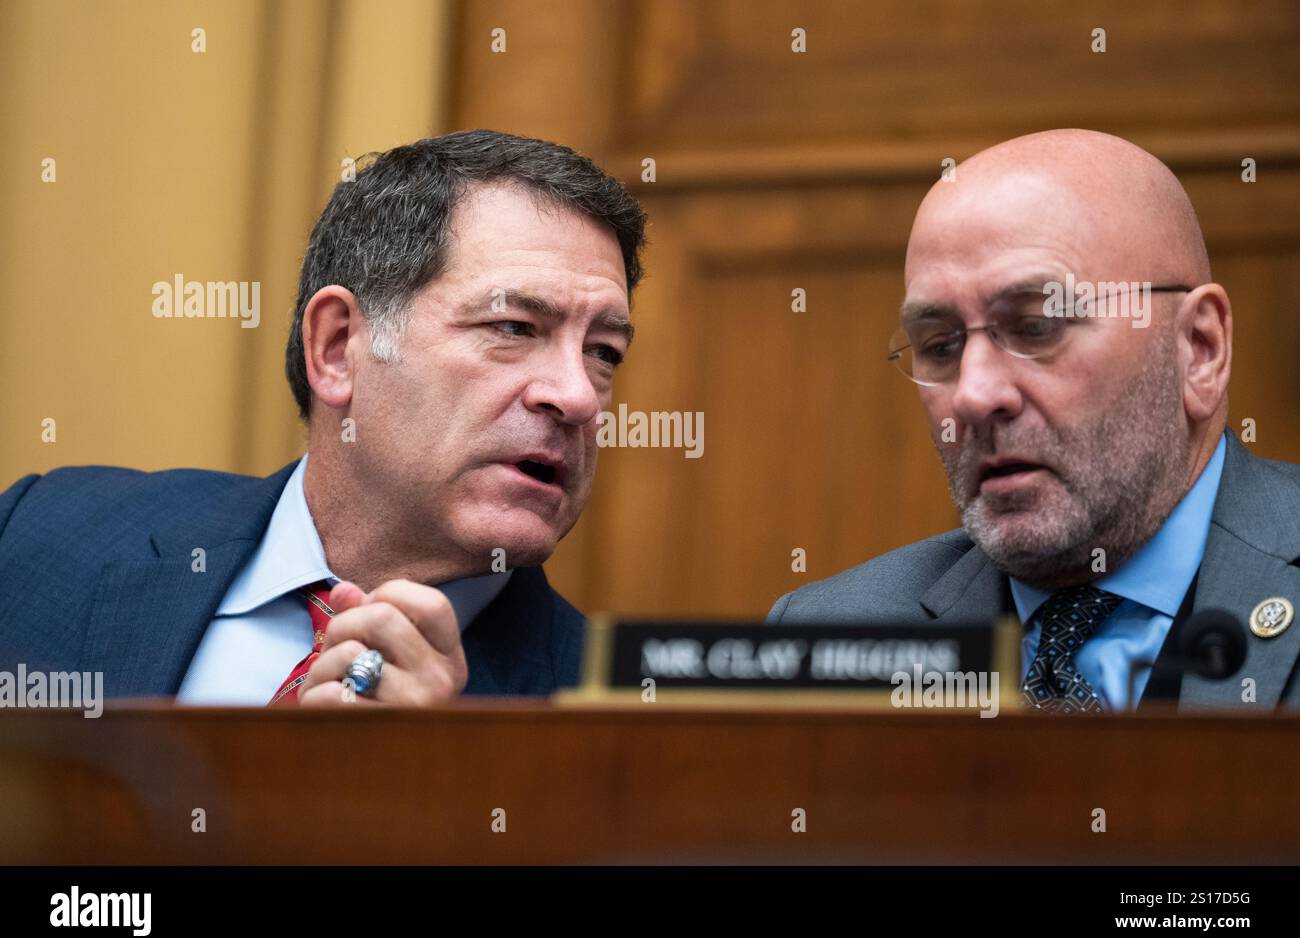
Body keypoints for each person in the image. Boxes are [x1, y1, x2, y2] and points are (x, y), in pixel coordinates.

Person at [0, 129, 646, 707]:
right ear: (337, 347)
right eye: (513, 327)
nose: (579, 396)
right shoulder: (39, 540)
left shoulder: (617, 727)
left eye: (602, 353)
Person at [769, 129, 1300, 712]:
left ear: (1199, 349)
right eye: (940, 345)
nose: (973, 395)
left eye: (1036, 326)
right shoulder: (831, 637)